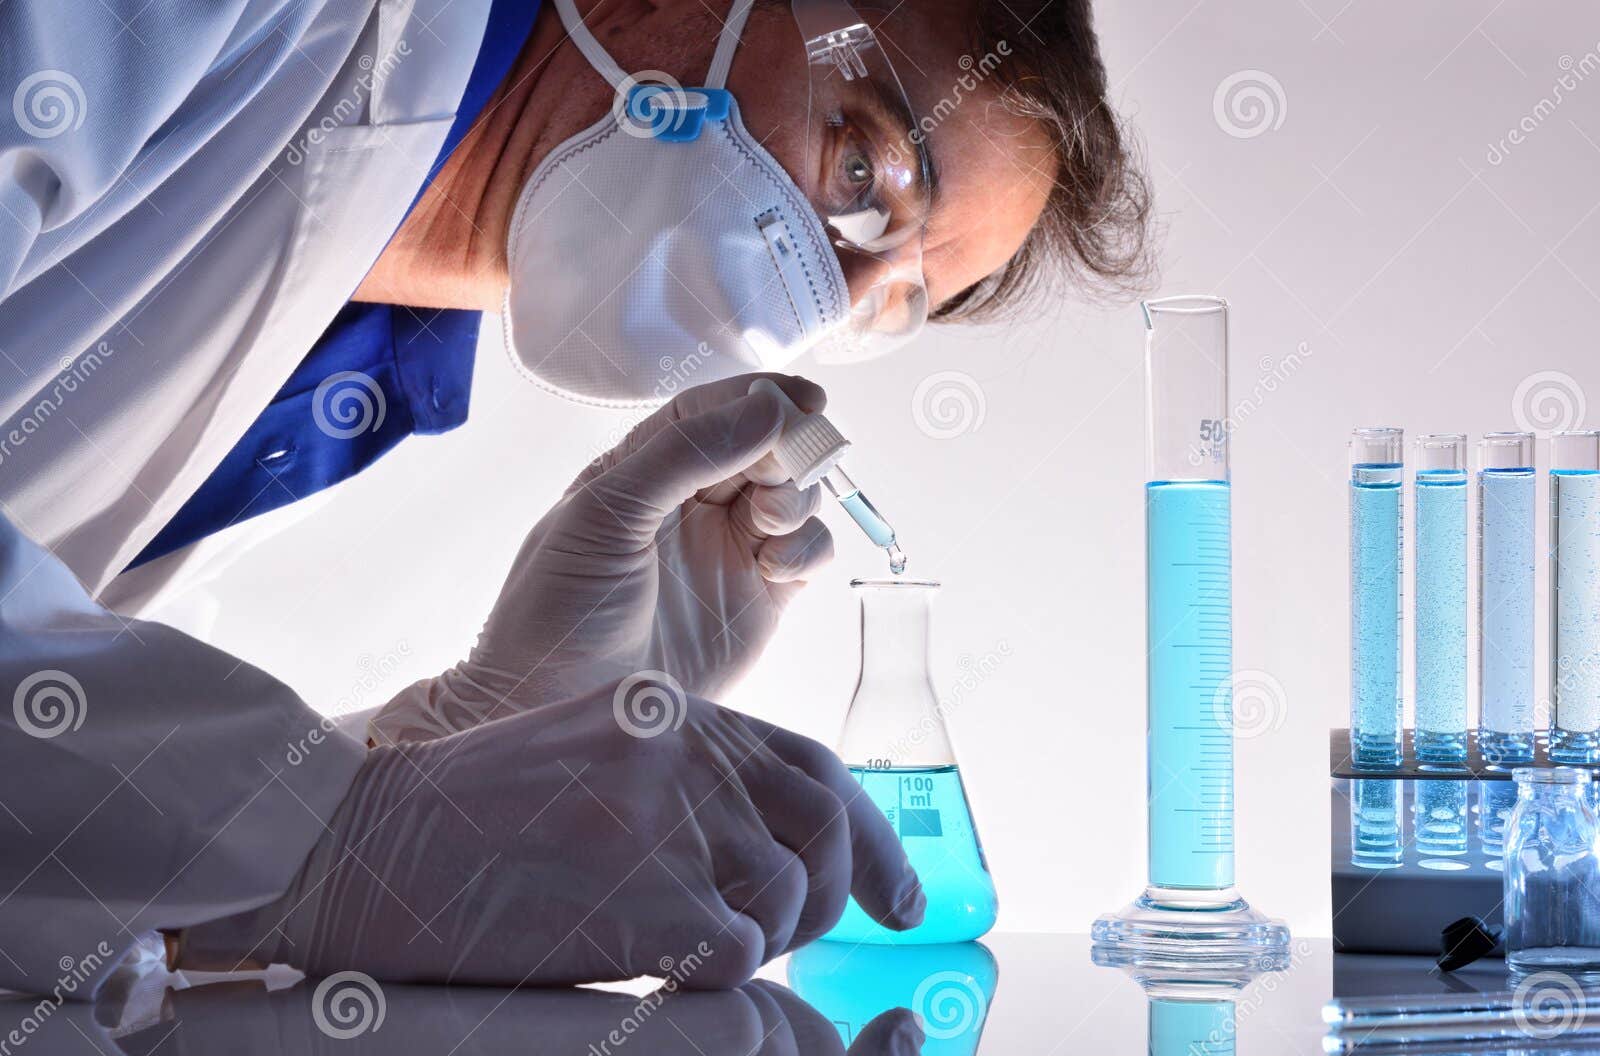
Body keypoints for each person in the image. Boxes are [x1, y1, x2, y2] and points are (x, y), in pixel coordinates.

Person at [0, 0, 1150, 999]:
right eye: (864, 174)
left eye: (893, 304)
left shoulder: (365, 368)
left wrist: (452, 744)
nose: (826, 297)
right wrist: (328, 838)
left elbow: (48, 840)